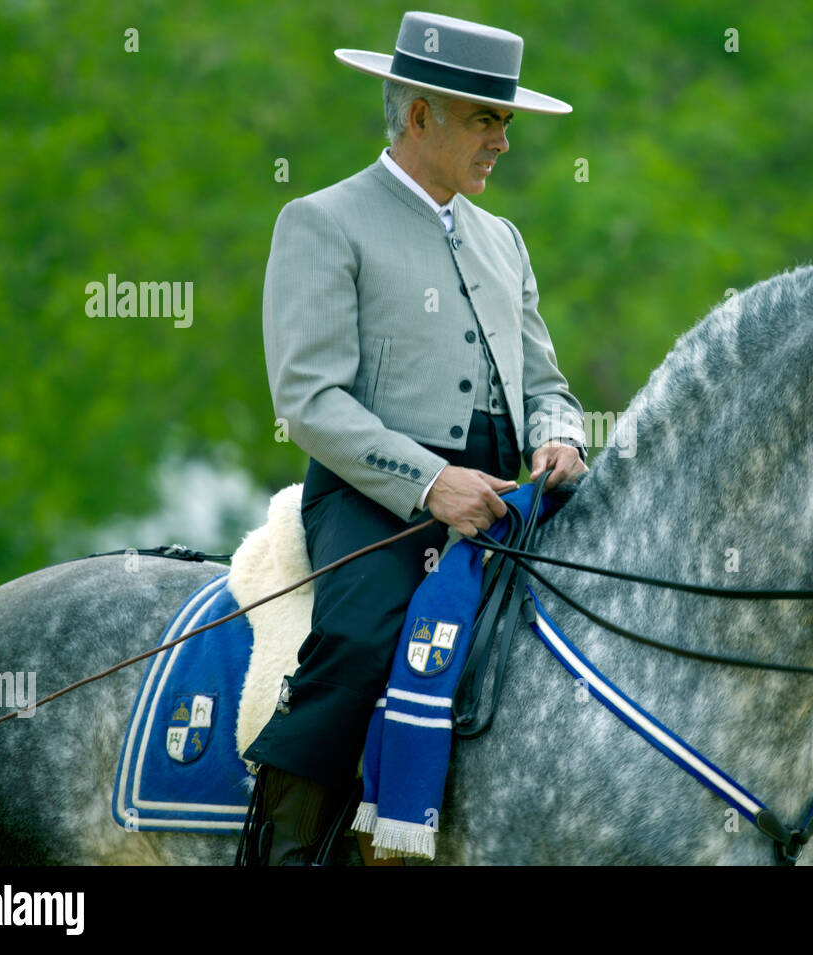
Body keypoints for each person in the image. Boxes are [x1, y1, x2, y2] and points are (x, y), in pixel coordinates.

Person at [239, 11, 588, 865]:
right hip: (372, 501)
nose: (503, 141)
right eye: (486, 119)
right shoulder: (322, 221)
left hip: (506, 500)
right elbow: (310, 398)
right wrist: (433, 483)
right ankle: (283, 856)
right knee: (359, 644)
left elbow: (546, 383)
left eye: (505, 121)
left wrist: (561, 438)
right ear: (422, 114)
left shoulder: (503, 240)